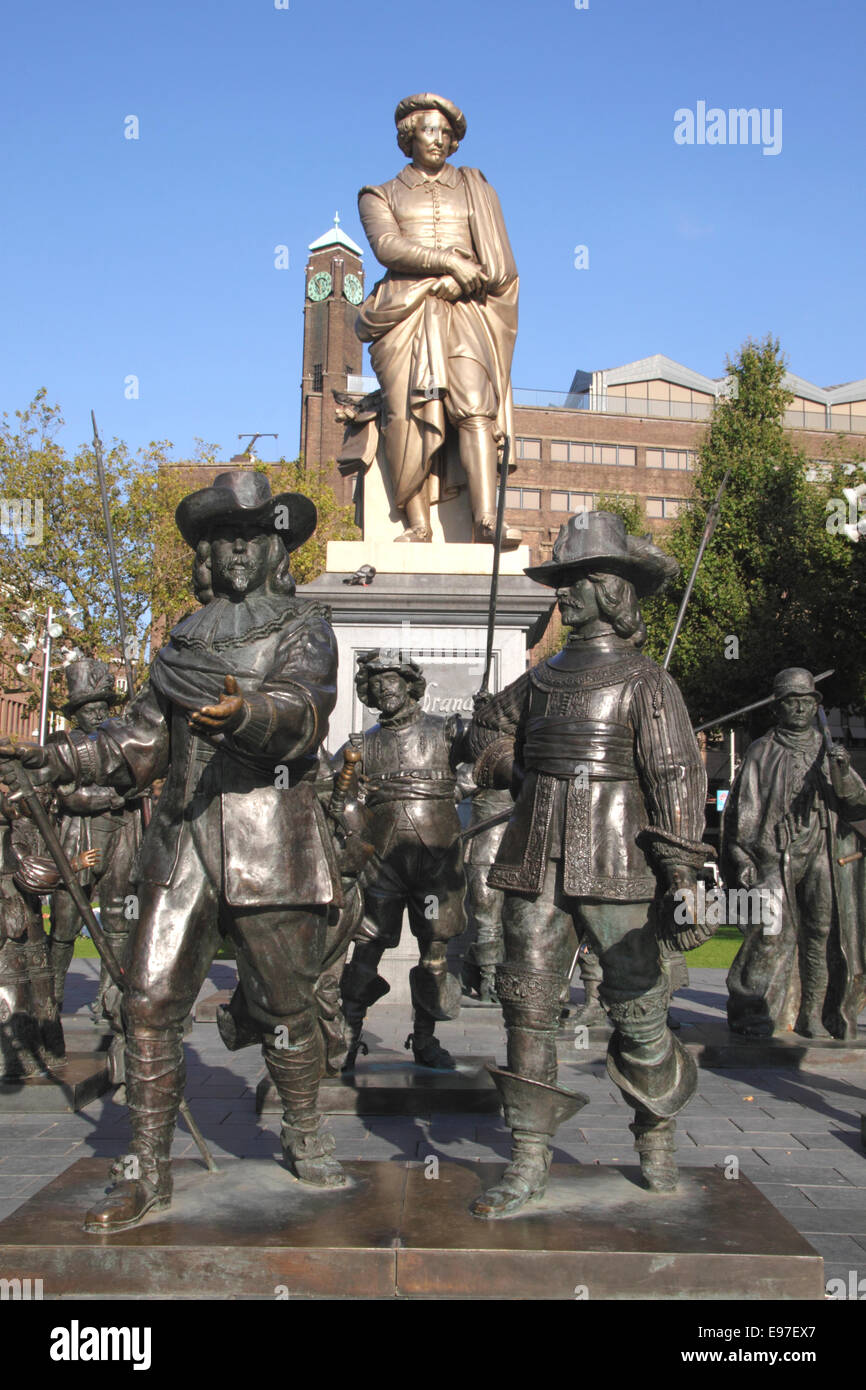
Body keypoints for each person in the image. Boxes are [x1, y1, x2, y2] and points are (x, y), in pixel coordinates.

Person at [0, 470, 347, 1232]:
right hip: (182, 838)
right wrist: (57, 759)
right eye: (218, 539)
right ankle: (148, 1171)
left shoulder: (303, 626)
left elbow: (305, 709)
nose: (230, 552)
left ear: (273, 547)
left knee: (285, 1004)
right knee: (148, 1003)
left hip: (268, 842)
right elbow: (141, 740)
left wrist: (247, 710)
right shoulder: (181, 642)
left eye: (246, 538)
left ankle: (304, 1128)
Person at [466, 511, 710, 1218]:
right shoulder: (540, 681)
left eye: (574, 581)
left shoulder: (646, 681)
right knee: (527, 1007)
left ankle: (655, 1137)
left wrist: (684, 877)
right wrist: (515, 762)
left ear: (610, 590)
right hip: (534, 862)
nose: (562, 595)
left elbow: (675, 778)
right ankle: (528, 1159)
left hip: (617, 863)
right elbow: (483, 732)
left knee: (638, 1010)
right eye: (560, 581)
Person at [355, 93, 520, 546]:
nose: (439, 139)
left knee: (474, 405)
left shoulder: (476, 188)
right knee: (405, 414)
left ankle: (486, 519)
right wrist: (448, 264)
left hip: (465, 310)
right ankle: (418, 524)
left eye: (447, 133)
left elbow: (501, 265)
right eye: (430, 130)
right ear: (408, 138)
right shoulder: (378, 195)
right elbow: (387, 247)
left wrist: (463, 281)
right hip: (404, 314)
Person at [338, 651, 466, 1070]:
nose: (382, 690)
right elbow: (336, 796)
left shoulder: (446, 732)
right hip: (382, 861)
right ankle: (347, 1035)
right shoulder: (360, 746)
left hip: (436, 859)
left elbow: (490, 762)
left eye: (390, 681)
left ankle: (426, 1039)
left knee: (434, 952)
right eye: (374, 685)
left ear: (410, 685)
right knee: (366, 947)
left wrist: (463, 782)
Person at [724, 667, 866, 1039]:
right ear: (778, 709)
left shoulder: (829, 749)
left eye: (807, 701)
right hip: (775, 853)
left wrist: (844, 773)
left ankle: (813, 1015)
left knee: (823, 933)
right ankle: (750, 1009)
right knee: (770, 932)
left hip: (823, 847)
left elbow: (858, 804)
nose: (801, 708)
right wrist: (745, 859)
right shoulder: (761, 752)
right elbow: (744, 813)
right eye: (792, 702)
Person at [47, 659, 141, 1042]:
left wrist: (130, 788)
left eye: (104, 707)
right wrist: (111, 796)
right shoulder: (62, 746)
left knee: (119, 918)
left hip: (120, 836)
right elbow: (65, 794)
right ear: (77, 712)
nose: (99, 714)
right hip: (81, 839)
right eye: (91, 708)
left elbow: (139, 781)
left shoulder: (120, 742)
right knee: (67, 923)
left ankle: (110, 996)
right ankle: (50, 997)